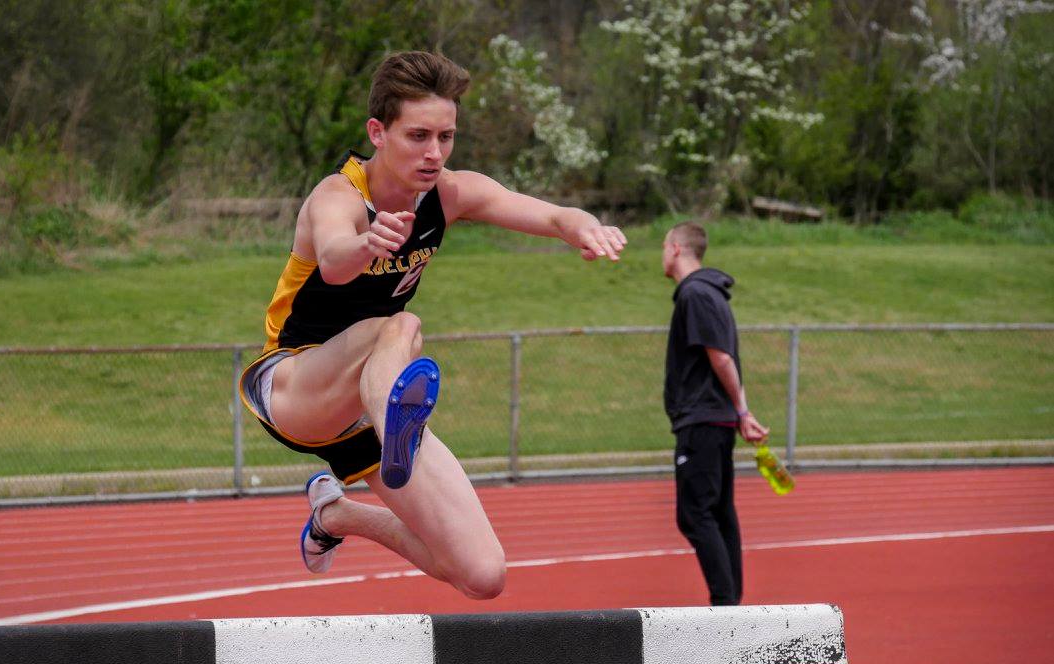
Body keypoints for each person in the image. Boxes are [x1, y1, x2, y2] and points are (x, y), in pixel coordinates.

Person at [238, 51, 627, 600]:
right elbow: (332, 258)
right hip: (296, 383)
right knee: (399, 326)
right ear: (378, 131)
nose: (434, 153)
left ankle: (337, 514)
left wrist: (584, 228)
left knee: (481, 574)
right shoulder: (339, 196)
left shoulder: (448, 193)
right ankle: (396, 424)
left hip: (366, 412)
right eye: (418, 136)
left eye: (446, 137)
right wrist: (366, 242)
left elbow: (550, 213)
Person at [662, 222, 768, 606]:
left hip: (703, 420)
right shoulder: (708, 294)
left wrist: (742, 409)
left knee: (695, 514)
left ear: (676, 248)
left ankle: (726, 606)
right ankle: (730, 603)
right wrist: (740, 411)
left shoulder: (696, 294)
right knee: (718, 511)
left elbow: (720, 356)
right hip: (714, 417)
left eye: (663, 246)